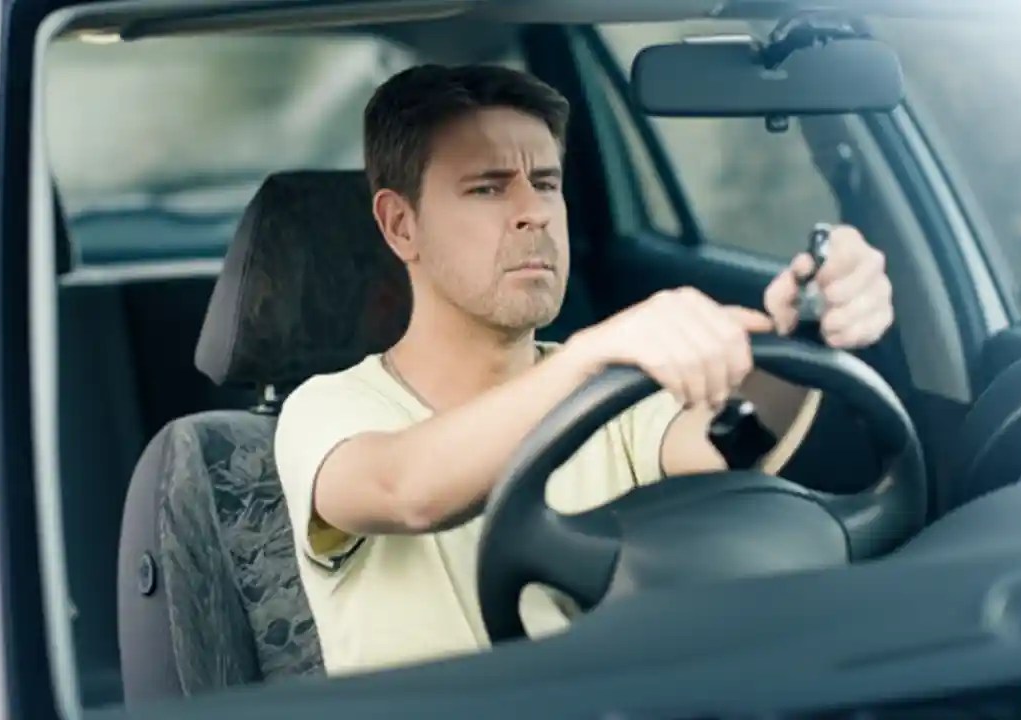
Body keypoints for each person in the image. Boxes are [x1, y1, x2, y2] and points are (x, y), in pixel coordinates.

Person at [275, 64, 895, 676]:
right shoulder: (329, 408)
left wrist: (806, 332)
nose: (534, 212)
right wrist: (586, 356)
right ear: (400, 225)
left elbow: (732, 444)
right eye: (488, 188)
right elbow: (401, 492)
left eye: (545, 183)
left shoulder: (607, 391)